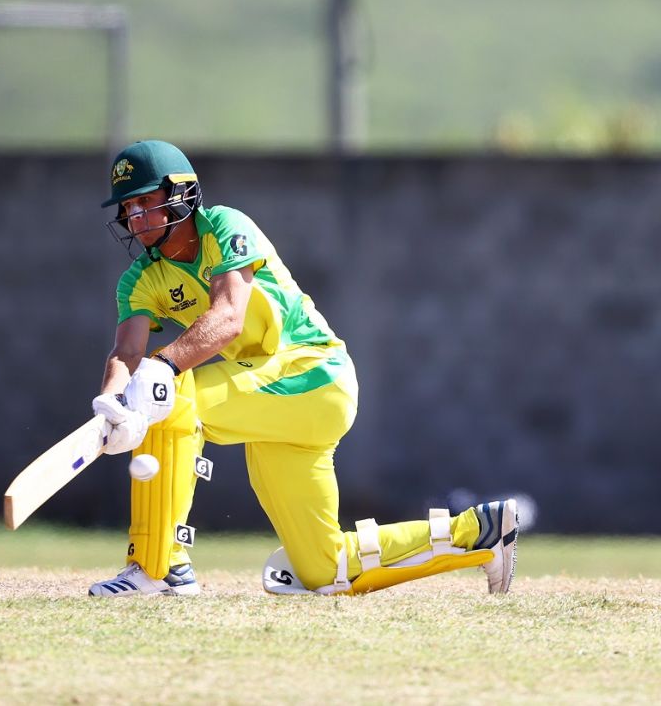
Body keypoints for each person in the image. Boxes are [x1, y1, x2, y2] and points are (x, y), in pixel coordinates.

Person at [86, 140, 518, 597]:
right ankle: (482, 531)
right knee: (323, 571)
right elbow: (126, 351)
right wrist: (112, 403)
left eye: (146, 201)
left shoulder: (225, 226)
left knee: (172, 396)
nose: (136, 217)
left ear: (182, 193)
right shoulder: (140, 279)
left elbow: (229, 316)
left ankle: (159, 568)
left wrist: (165, 366)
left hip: (313, 373)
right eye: (129, 207)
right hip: (275, 406)